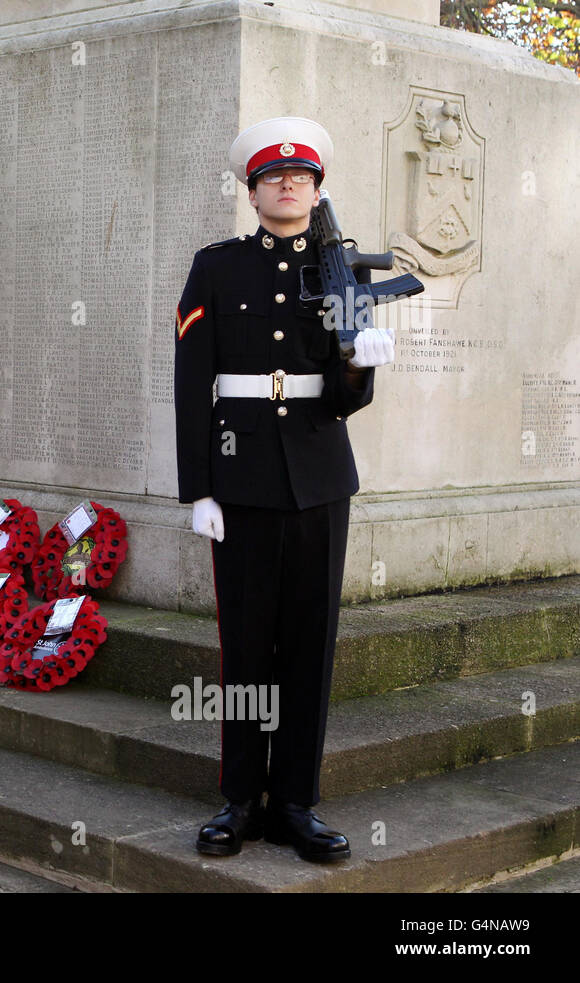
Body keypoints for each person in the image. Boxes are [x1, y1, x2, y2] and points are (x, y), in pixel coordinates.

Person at [173, 117, 395, 863]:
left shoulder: (343, 268)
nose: (289, 183)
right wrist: (196, 487)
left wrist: (361, 363)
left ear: (317, 187)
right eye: (274, 176)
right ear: (254, 190)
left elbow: (344, 399)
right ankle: (241, 797)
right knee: (246, 646)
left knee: (310, 644)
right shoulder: (216, 266)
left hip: (319, 475)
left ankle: (296, 801)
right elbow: (189, 382)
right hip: (239, 481)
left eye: (301, 176)